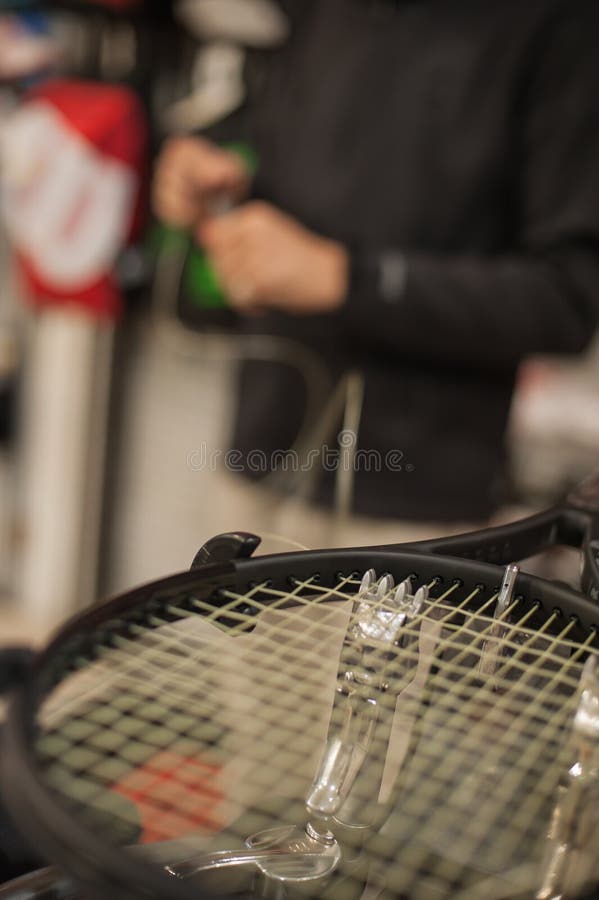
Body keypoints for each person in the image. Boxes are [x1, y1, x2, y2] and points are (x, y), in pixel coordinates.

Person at [153, 0, 599, 541]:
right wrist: (217, 178)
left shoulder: (560, 24)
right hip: (257, 470)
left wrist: (347, 280)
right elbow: (300, 170)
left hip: (412, 520)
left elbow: (564, 300)